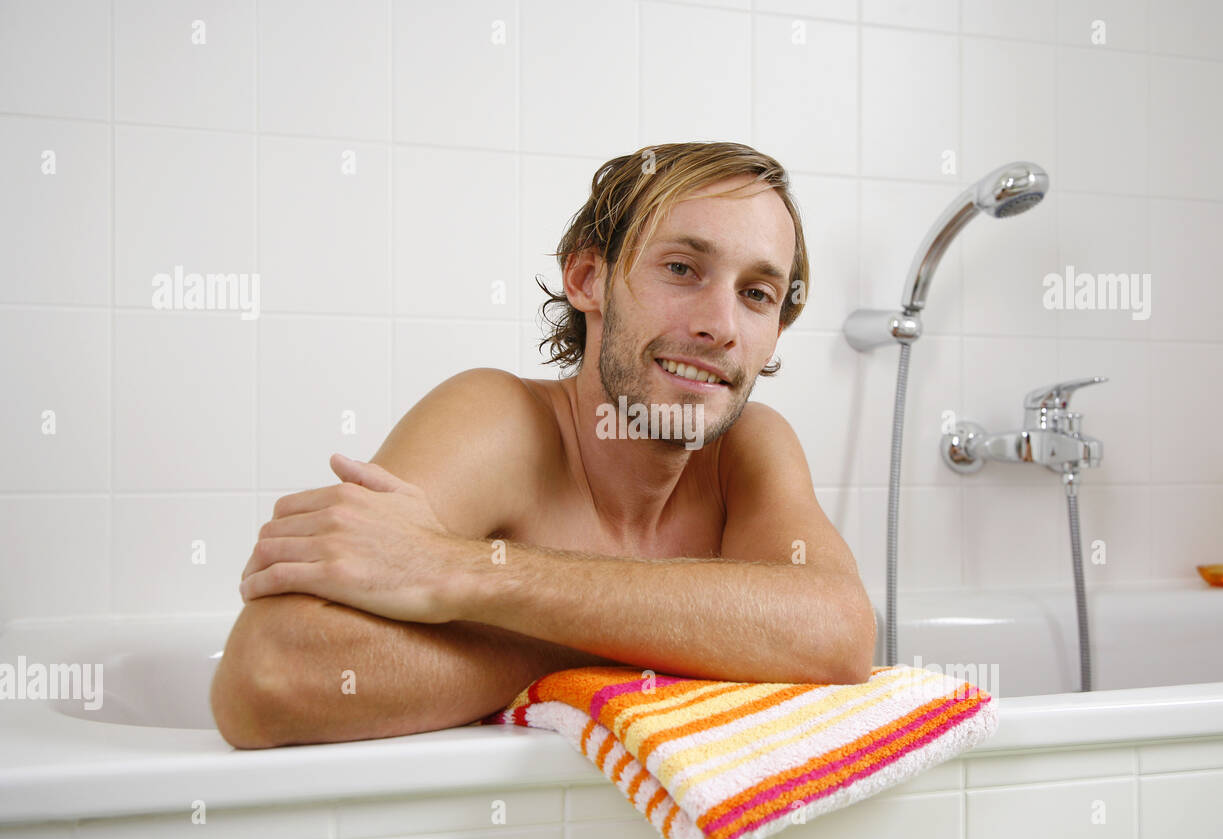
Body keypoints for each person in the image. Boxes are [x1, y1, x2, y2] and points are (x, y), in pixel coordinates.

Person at [210, 142, 876, 749]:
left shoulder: (749, 449)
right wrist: (692, 641)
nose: (721, 326)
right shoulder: (500, 420)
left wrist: (463, 571)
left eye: (757, 294)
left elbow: (839, 633)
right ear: (586, 279)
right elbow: (270, 677)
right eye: (681, 268)